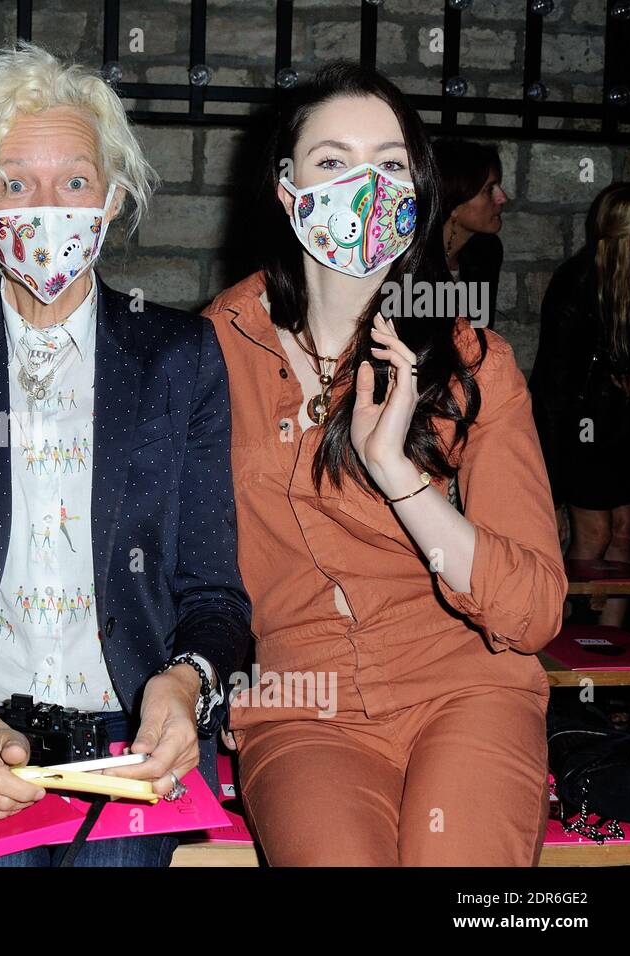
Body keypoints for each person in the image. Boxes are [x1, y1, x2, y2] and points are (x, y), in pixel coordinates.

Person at [0, 43, 252, 867]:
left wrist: (182, 687)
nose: (49, 208)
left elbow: (215, 591)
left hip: (133, 737)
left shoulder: (178, 356)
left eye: (74, 181)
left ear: (111, 199)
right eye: (15, 183)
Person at [203, 64, 565, 866]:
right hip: (301, 705)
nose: (364, 184)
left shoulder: (474, 361)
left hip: (467, 686)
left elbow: (535, 611)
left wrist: (396, 472)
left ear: (418, 189)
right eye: (333, 161)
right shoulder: (209, 353)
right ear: (286, 188)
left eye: (390, 163)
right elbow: (170, 551)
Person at [530, 182, 630, 624]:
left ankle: (611, 647)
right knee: (593, 536)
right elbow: (553, 384)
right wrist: (551, 483)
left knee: (624, 533)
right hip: (583, 429)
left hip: (626, 427)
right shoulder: (576, 282)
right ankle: (573, 648)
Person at [433, 139, 507, 329]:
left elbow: (481, 333)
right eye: (489, 190)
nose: (502, 198)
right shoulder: (406, 261)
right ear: (454, 204)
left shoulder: (485, 252)